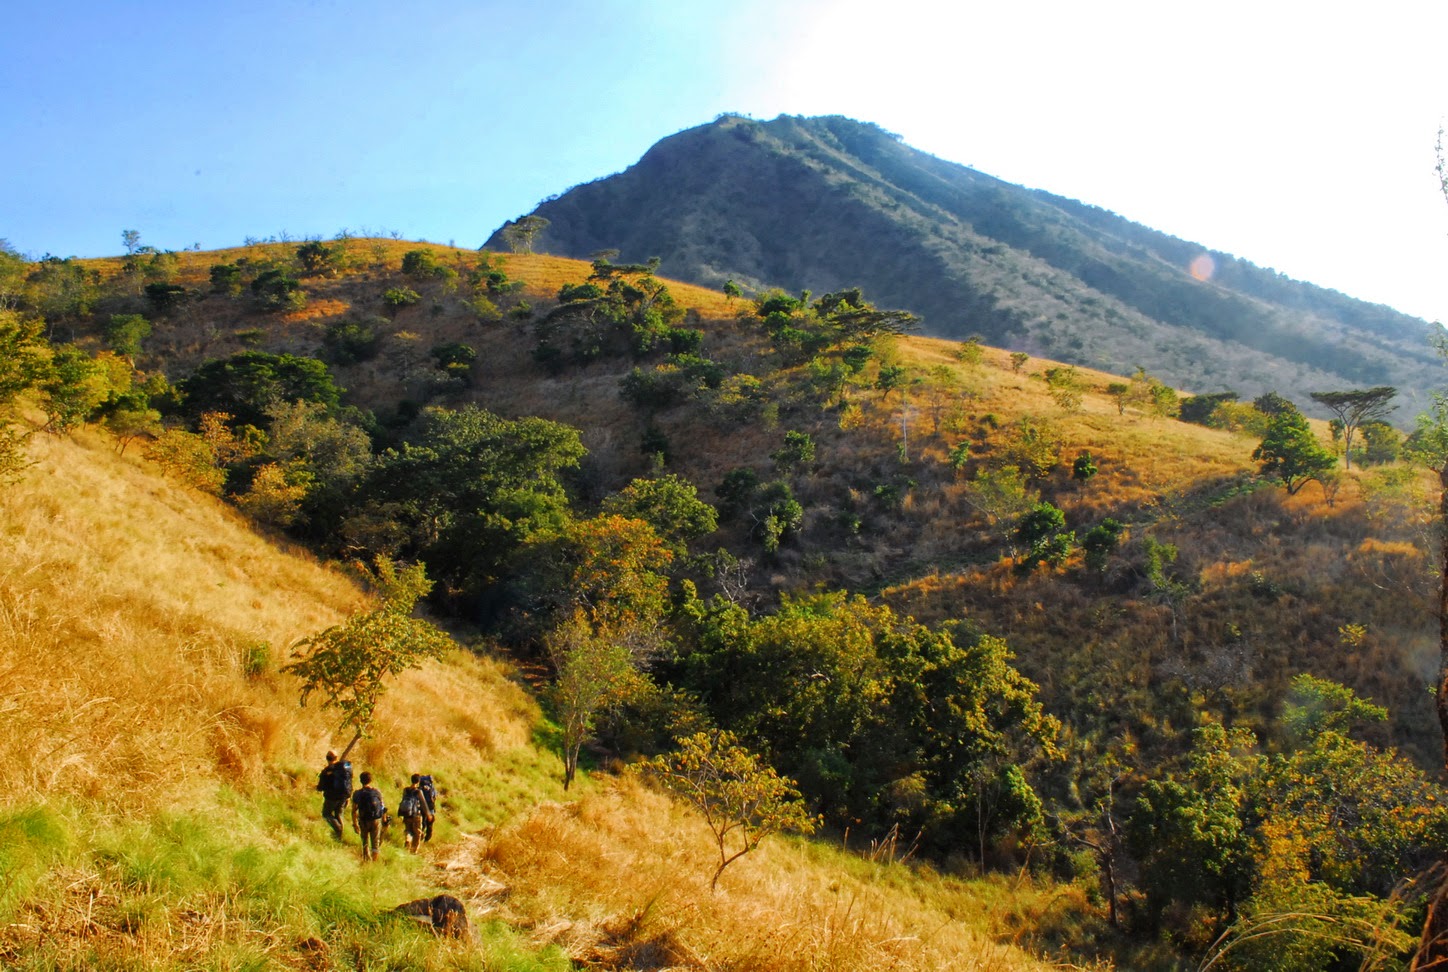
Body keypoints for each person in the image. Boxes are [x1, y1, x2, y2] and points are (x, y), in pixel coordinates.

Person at [315, 750, 352, 841]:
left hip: (332, 797)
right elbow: (350, 778)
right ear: (337, 757)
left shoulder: (327, 770)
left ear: (327, 758)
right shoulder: (346, 766)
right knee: (339, 814)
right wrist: (349, 795)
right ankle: (339, 836)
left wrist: (316, 787)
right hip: (345, 795)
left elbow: (321, 787)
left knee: (326, 814)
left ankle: (338, 830)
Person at [351, 771, 387, 862]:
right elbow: (382, 806)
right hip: (375, 819)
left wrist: (355, 824)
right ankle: (374, 861)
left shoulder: (357, 793)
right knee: (375, 842)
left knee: (365, 841)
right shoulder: (377, 792)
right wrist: (384, 818)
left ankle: (366, 860)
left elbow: (354, 810)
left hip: (363, 819)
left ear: (360, 781)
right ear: (371, 780)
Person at [398, 774, 434, 854]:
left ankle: (408, 839)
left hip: (407, 814)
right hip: (416, 815)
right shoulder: (418, 791)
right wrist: (428, 814)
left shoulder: (406, 790)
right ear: (418, 781)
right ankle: (414, 851)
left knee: (408, 830)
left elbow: (403, 800)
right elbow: (423, 803)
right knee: (417, 832)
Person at [418, 774, 437, 842]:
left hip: (421, 808)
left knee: (422, 823)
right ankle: (427, 838)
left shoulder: (420, 787)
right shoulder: (432, 787)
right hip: (430, 808)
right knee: (430, 824)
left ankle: (420, 835)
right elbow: (434, 796)